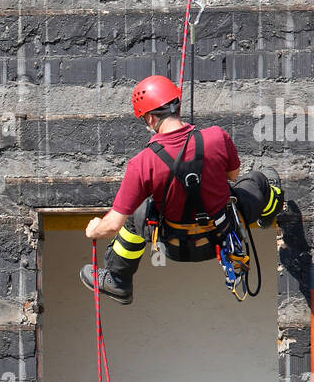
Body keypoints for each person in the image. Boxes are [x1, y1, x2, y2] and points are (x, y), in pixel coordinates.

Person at [81, 75, 283, 305]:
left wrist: (95, 230)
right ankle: (268, 216)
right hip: (221, 237)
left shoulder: (141, 163)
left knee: (133, 218)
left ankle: (118, 279)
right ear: (177, 105)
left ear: (149, 118)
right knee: (262, 179)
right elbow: (233, 176)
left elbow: (112, 225)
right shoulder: (217, 137)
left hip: (173, 246)